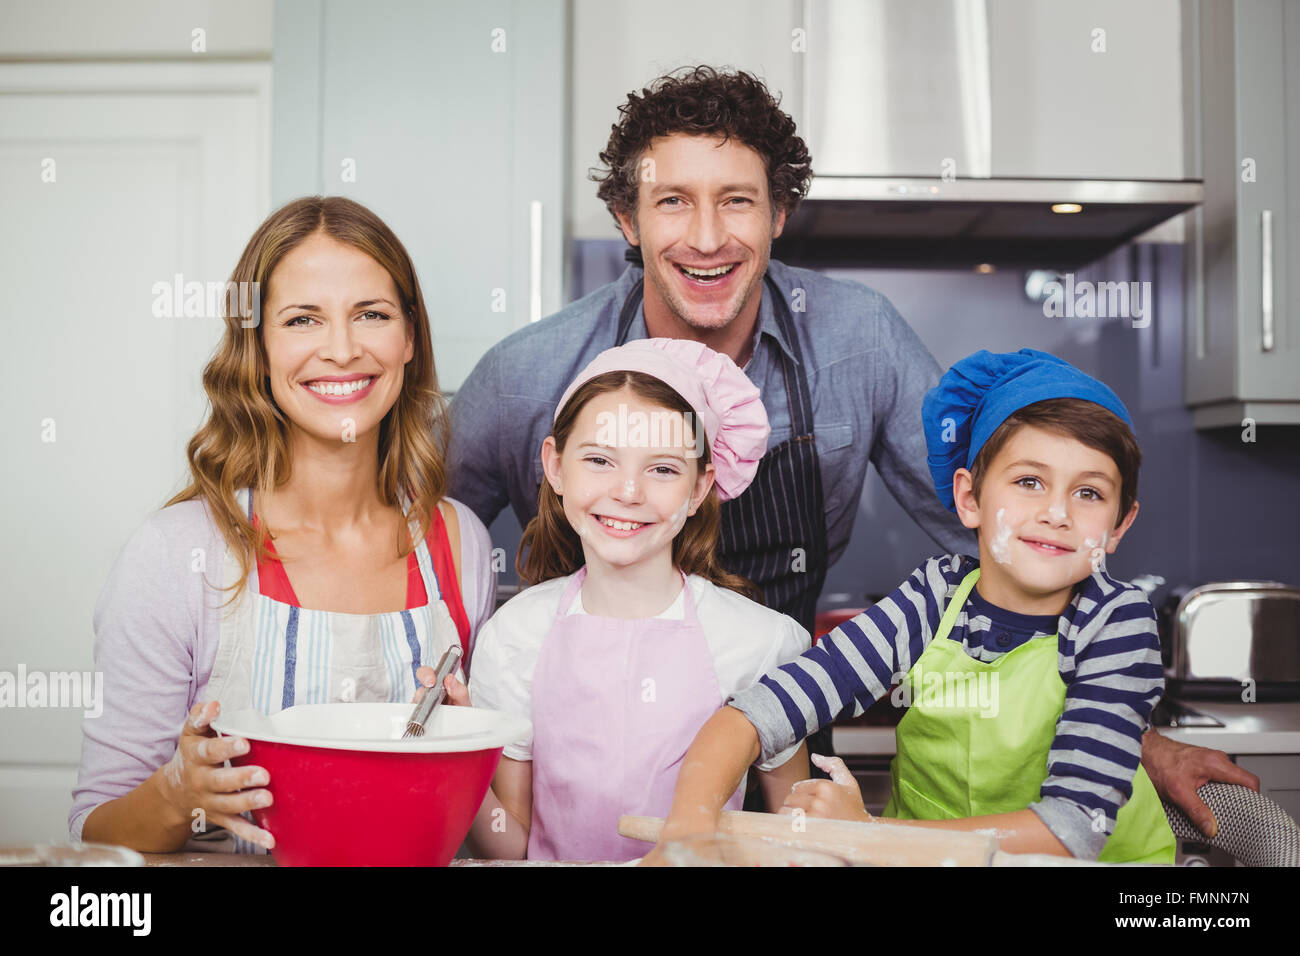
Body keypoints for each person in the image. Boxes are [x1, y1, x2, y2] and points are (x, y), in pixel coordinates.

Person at [447, 65, 1257, 831]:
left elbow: (1011, 543)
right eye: (671, 203)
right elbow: (419, 539)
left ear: (778, 215)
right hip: (571, 775)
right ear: (628, 219)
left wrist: (1130, 736)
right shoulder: (530, 375)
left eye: (736, 201)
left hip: (784, 729)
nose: (706, 237)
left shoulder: (858, 341)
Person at [70, 196, 494, 855]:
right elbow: (96, 832)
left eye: (372, 315)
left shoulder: (461, 543)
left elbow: (476, 819)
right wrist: (180, 794)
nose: (343, 349)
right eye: (302, 320)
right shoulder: (176, 554)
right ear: (258, 348)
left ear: (409, 337)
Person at [647, 350, 1183, 862]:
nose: (1057, 513)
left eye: (1089, 493)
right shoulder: (937, 596)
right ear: (969, 498)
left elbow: (1071, 831)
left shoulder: (1115, 621)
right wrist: (688, 827)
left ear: (1118, 525)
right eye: (1028, 482)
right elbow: (763, 711)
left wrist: (872, 835)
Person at [438, 339, 810, 861]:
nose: (628, 492)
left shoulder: (759, 642)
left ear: (701, 486)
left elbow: (794, 837)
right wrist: (458, 752)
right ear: (556, 465)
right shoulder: (516, 635)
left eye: (662, 469)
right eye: (599, 460)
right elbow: (511, 846)